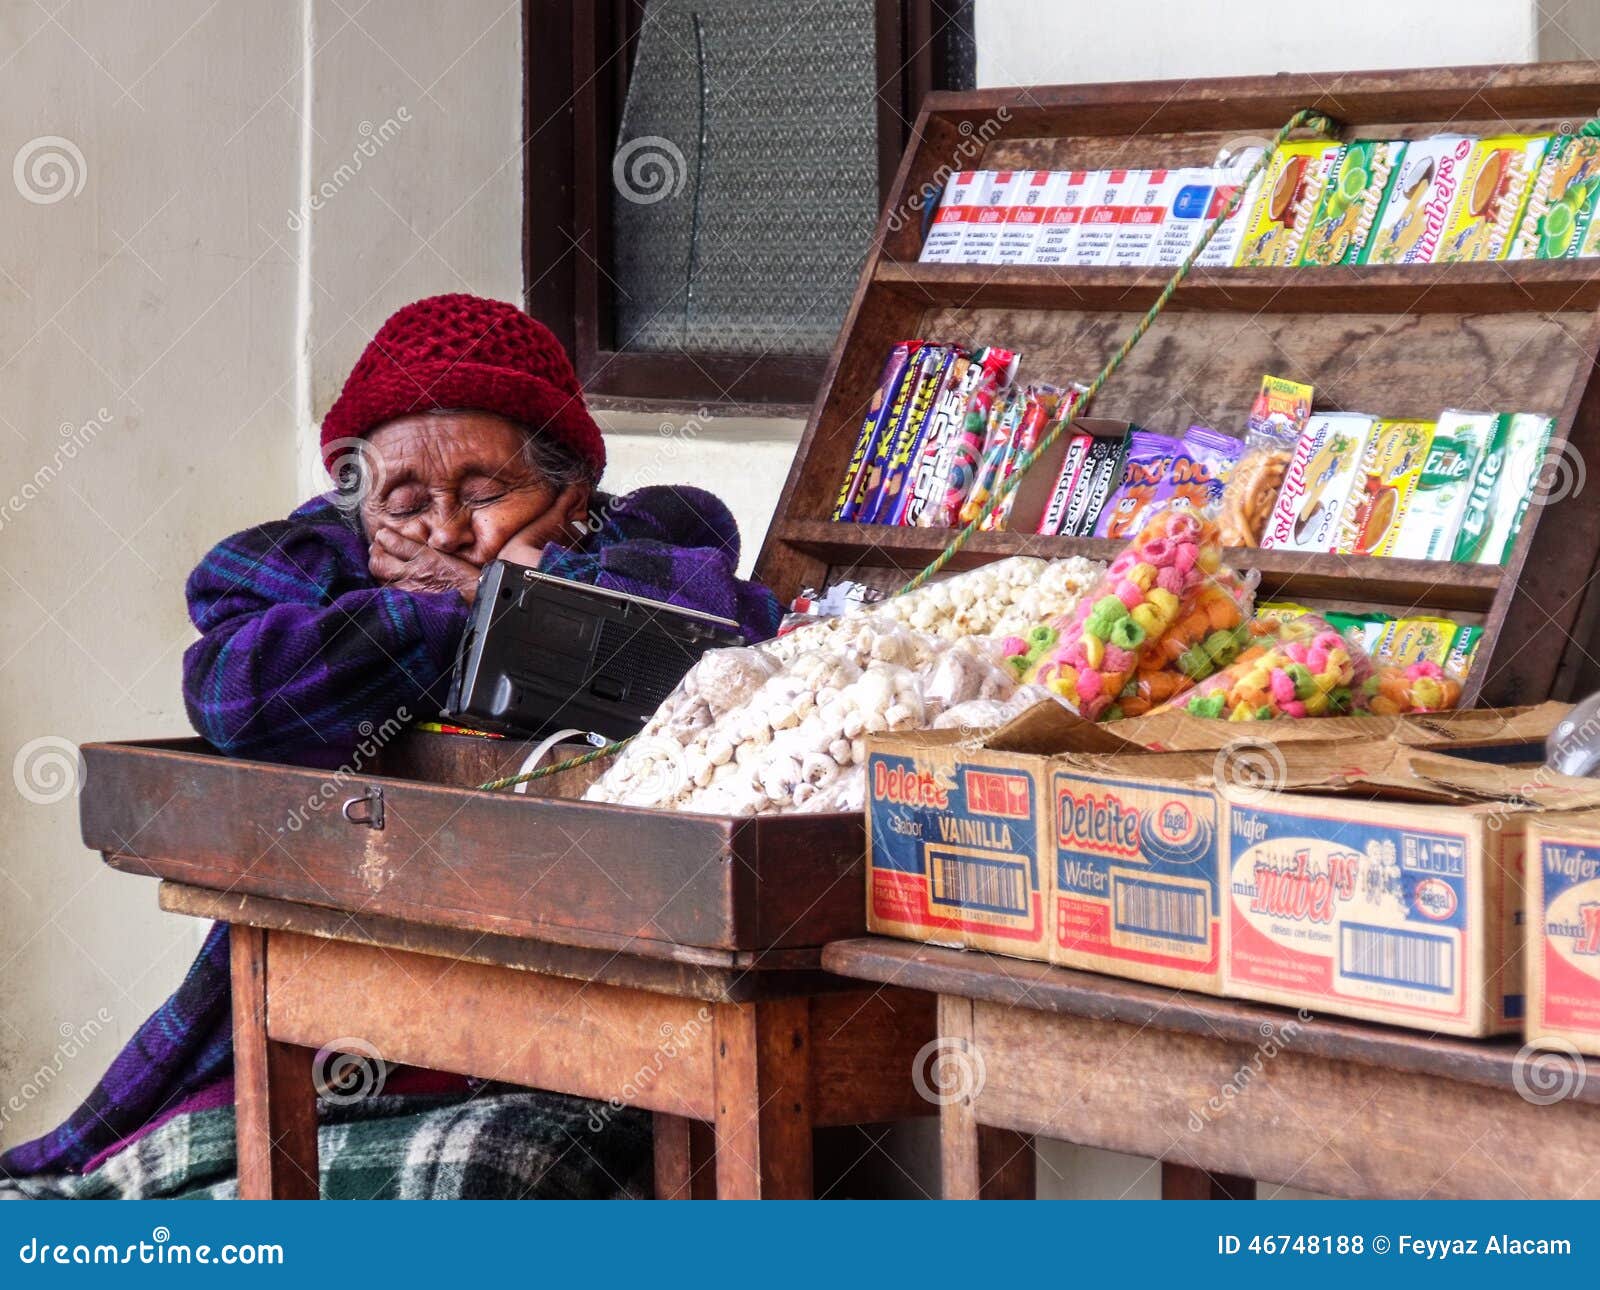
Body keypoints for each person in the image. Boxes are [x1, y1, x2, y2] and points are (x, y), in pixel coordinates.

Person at [0, 294, 781, 1198]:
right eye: (405, 503)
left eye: (485, 494)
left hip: (588, 1001)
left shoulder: (644, 537)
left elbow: (736, 634)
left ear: (570, 498)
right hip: (342, 999)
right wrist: (447, 612)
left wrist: (542, 587)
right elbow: (235, 694)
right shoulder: (302, 558)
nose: (445, 530)